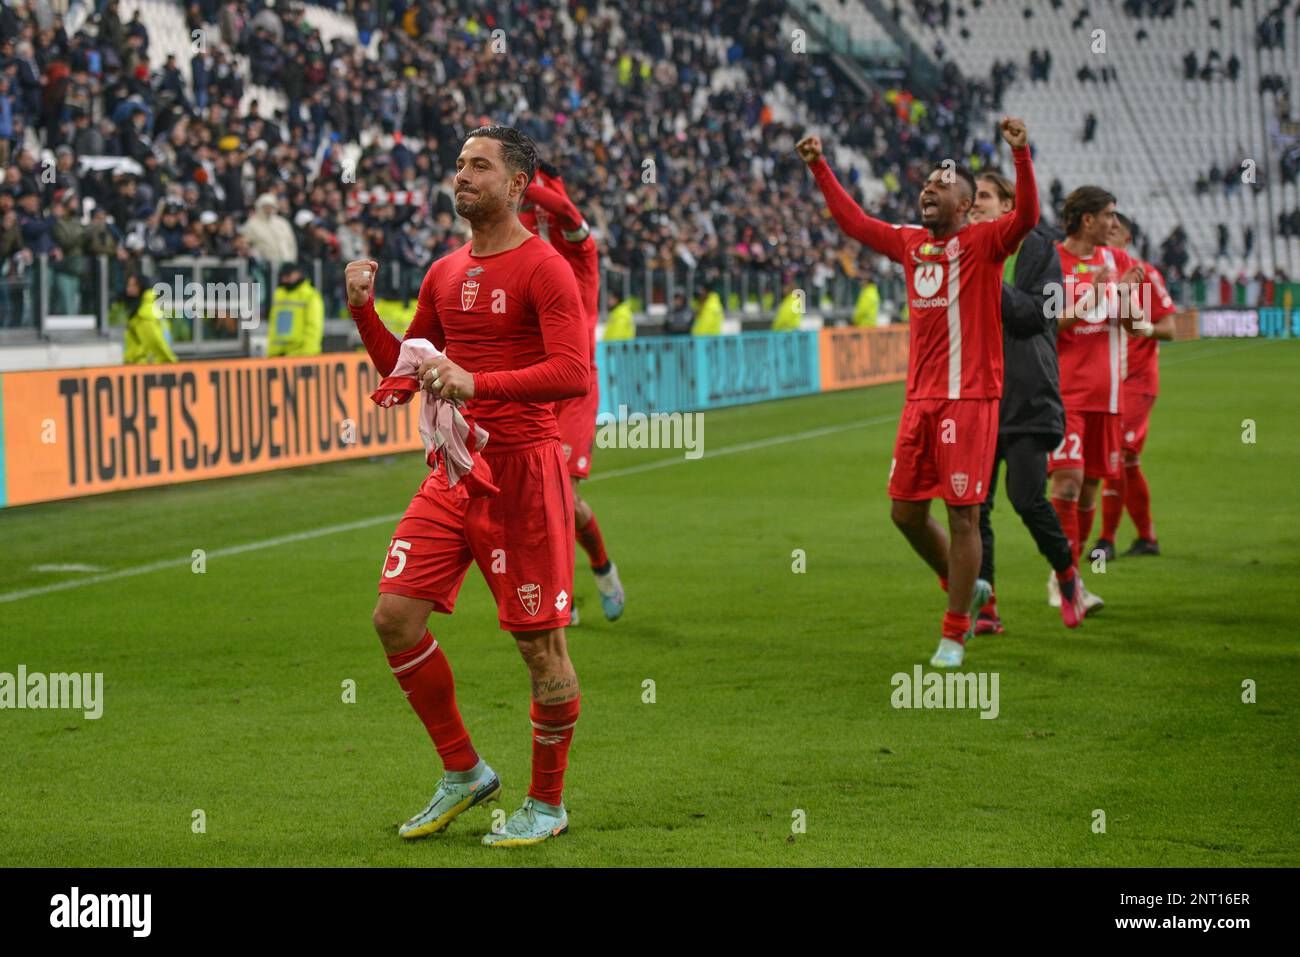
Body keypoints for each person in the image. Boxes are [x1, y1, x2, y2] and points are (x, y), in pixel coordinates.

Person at [346, 126, 589, 847]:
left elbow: (572, 371)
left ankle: (548, 803)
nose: (462, 176)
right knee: (394, 617)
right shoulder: (445, 272)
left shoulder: (546, 268)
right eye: (458, 165)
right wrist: (364, 310)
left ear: (517, 185)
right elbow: (406, 364)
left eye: (479, 166)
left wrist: (478, 380)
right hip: (454, 471)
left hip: (522, 473)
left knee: (540, 648)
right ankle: (465, 770)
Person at [799, 117, 1041, 668]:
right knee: (905, 514)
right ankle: (963, 582)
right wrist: (818, 166)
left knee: (963, 517)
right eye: (927, 182)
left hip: (970, 399)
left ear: (964, 205)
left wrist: (1021, 154)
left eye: (943, 184)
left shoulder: (984, 243)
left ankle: (955, 632)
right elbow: (854, 222)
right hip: (920, 402)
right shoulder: (911, 244)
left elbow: (1027, 215)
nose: (929, 188)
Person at [967, 171, 1080, 634]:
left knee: (1026, 498)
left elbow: (1042, 314)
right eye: (972, 197)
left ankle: (1068, 574)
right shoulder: (965, 250)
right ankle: (987, 604)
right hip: (978, 395)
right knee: (974, 507)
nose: (975, 204)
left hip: (1029, 394)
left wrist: (987, 277)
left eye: (986, 197)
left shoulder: (1039, 251)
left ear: (1010, 206)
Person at [520, 162, 626, 626]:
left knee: (560, 496)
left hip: (576, 385)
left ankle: (572, 590)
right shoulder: (520, 243)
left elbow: (561, 206)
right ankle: (595, 569)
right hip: (535, 385)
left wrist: (520, 179)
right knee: (541, 500)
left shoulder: (582, 250)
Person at [1048, 187, 1150, 613]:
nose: (1115, 223)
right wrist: (1091, 290)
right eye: (1109, 215)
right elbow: (1052, 325)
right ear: (1086, 220)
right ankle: (1066, 580)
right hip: (1063, 393)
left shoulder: (1120, 261)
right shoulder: (1052, 260)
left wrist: (1125, 294)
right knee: (1067, 483)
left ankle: (1065, 574)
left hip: (1106, 396)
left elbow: (1137, 327)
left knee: (1088, 493)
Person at [1092, 213, 1177, 560]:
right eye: (1105, 227)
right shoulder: (1094, 276)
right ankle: (1147, 538)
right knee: (1127, 462)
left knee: (1118, 455)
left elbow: (1171, 328)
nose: (1108, 233)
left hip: (1138, 383)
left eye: (1116, 229)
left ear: (1127, 240)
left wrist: (1144, 328)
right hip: (1104, 382)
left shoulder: (1146, 275)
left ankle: (1106, 541)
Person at [266, 261, 324, 357]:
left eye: (288, 275)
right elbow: (273, 325)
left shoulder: (310, 295)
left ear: (298, 274)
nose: (284, 279)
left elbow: (313, 327)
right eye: (283, 276)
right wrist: (271, 352)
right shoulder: (278, 294)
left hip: (300, 355)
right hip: (278, 355)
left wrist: (308, 354)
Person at [120, 273, 177, 364]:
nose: (129, 289)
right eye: (128, 285)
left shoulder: (143, 314)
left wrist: (169, 363)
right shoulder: (150, 308)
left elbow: (155, 344)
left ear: (141, 287)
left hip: (143, 367)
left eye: (133, 285)